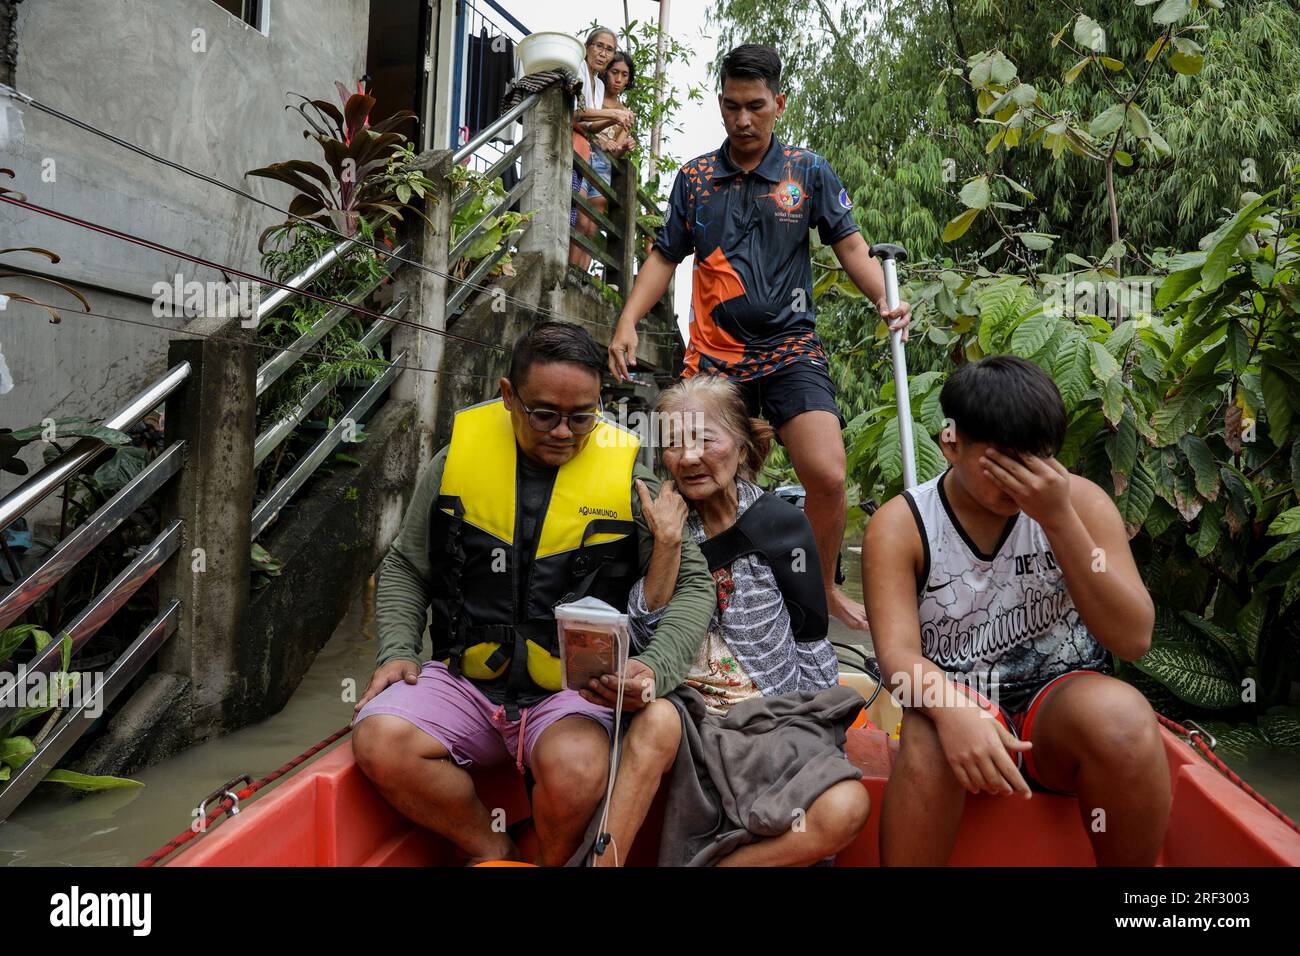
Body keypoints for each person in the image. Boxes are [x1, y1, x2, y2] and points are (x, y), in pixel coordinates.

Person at [351, 320, 715, 866]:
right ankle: (496, 851)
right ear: (507, 396)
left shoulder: (629, 477)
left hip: (572, 694)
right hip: (464, 682)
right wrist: (398, 649)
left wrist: (655, 667)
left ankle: (547, 859)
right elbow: (407, 564)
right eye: (545, 413)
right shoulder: (451, 465)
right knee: (379, 738)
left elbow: (693, 584)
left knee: (578, 770)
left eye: (583, 417)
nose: (564, 433)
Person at [608, 43, 911, 632]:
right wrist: (626, 320)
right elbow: (664, 256)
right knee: (695, 476)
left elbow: (850, 246)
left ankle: (819, 588)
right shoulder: (694, 179)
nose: (742, 120)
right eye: (730, 107)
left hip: (791, 350)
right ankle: (690, 596)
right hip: (714, 360)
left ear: (779, 103)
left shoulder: (808, 172)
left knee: (826, 474)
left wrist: (885, 299)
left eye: (755, 106)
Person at [864, 356, 1170, 866]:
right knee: (931, 732)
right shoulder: (901, 525)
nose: (1022, 482)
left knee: (1123, 720)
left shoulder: (1083, 504)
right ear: (951, 443)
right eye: (1004, 462)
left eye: (1038, 460)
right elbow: (898, 660)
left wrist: (1058, 519)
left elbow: (1134, 639)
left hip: (1060, 706)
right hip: (958, 695)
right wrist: (953, 710)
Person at [579, 374, 871, 867]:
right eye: (673, 445)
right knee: (655, 718)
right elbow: (642, 640)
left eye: (704, 440)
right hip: (683, 712)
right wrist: (668, 545)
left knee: (845, 807)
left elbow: (809, 638)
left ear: (740, 448)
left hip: (770, 716)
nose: (688, 457)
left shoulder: (782, 523)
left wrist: (820, 727)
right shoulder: (652, 519)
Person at [570, 27, 635, 270]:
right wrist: (612, 115)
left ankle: (578, 276)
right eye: (599, 46)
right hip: (581, 151)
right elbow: (577, 116)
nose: (603, 53)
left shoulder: (596, 84)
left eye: (609, 49)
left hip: (599, 162)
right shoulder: (578, 69)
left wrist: (620, 139)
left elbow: (590, 126)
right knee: (577, 217)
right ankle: (567, 272)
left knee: (591, 225)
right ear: (587, 47)